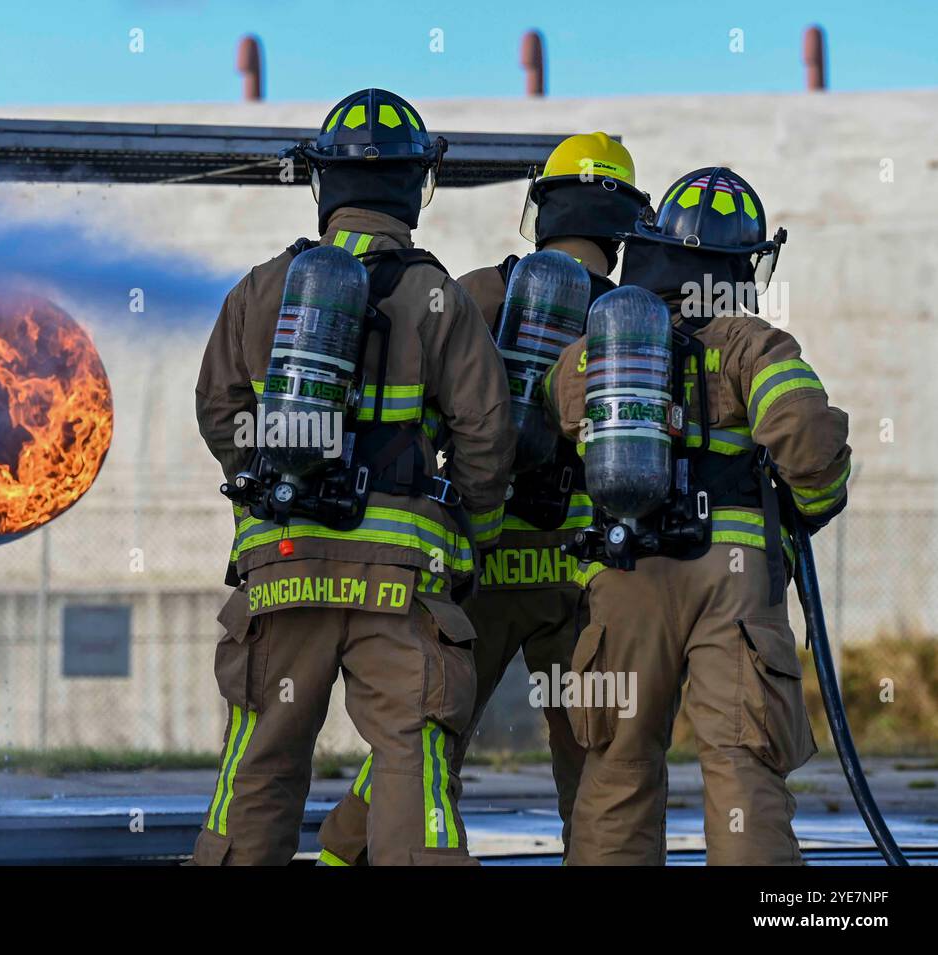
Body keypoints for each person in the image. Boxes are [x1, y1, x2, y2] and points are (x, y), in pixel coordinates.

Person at [190, 88, 513, 865]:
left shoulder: (263, 287)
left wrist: (267, 484)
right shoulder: (439, 298)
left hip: (283, 569)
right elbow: (487, 435)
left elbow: (216, 408)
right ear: (415, 187)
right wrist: (468, 528)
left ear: (322, 184)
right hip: (401, 587)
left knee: (259, 759)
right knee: (413, 763)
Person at [317, 132, 651, 863]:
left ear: (542, 210)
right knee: (596, 755)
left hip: (487, 557)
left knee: (424, 740)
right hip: (587, 572)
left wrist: (475, 521)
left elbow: (447, 413)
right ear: (624, 226)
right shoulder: (639, 321)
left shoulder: (475, 291)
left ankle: (343, 854)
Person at [545, 167, 850, 864]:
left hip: (626, 571)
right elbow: (809, 439)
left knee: (617, 762)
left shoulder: (605, 345)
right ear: (742, 263)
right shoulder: (753, 343)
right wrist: (813, 506)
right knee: (742, 765)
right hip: (731, 580)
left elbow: (557, 408)